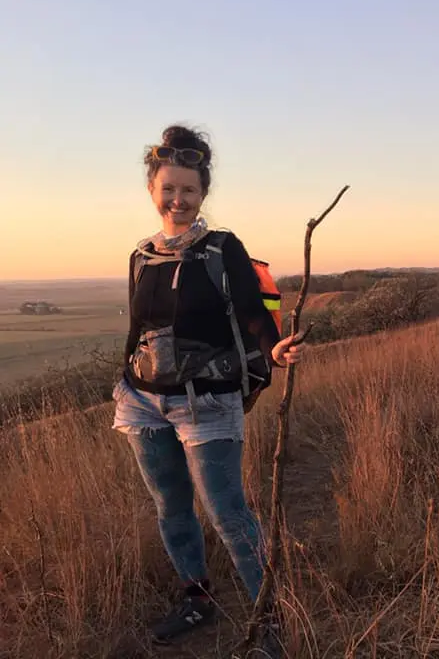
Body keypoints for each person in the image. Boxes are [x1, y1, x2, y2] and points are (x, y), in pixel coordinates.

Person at [111, 124, 303, 651]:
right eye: (168, 189)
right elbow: (138, 326)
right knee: (171, 505)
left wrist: (275, 348)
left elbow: (250, 312)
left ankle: (271, 620)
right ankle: (196, 599)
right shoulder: (141, 255)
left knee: (227, 513)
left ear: (203, 194)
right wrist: (124, 381)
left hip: (208, 403)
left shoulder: (222, 249)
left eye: (189, 191)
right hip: (144, 402)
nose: (178, 199)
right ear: (153, 189)